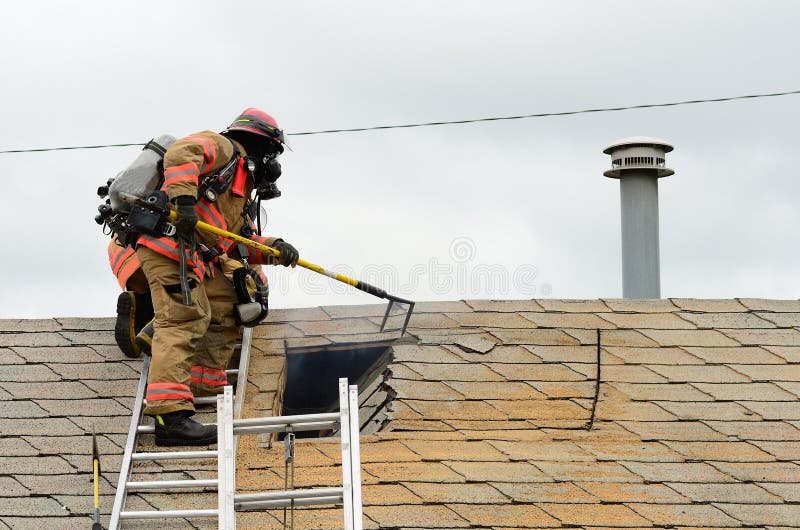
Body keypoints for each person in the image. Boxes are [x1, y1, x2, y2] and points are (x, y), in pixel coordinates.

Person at [135, 108, 299, 446]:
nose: (273, 168)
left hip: (187, 255)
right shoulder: (224, 149)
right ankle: (170, 419)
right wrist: (183, 201)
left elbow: (240, 243)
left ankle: (186, 374)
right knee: (183, 319)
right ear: (261, 147)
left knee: (214, 308)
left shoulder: (238, 193)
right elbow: (183, 151)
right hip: (167, 245)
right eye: (272, 155)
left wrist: (276, 249)